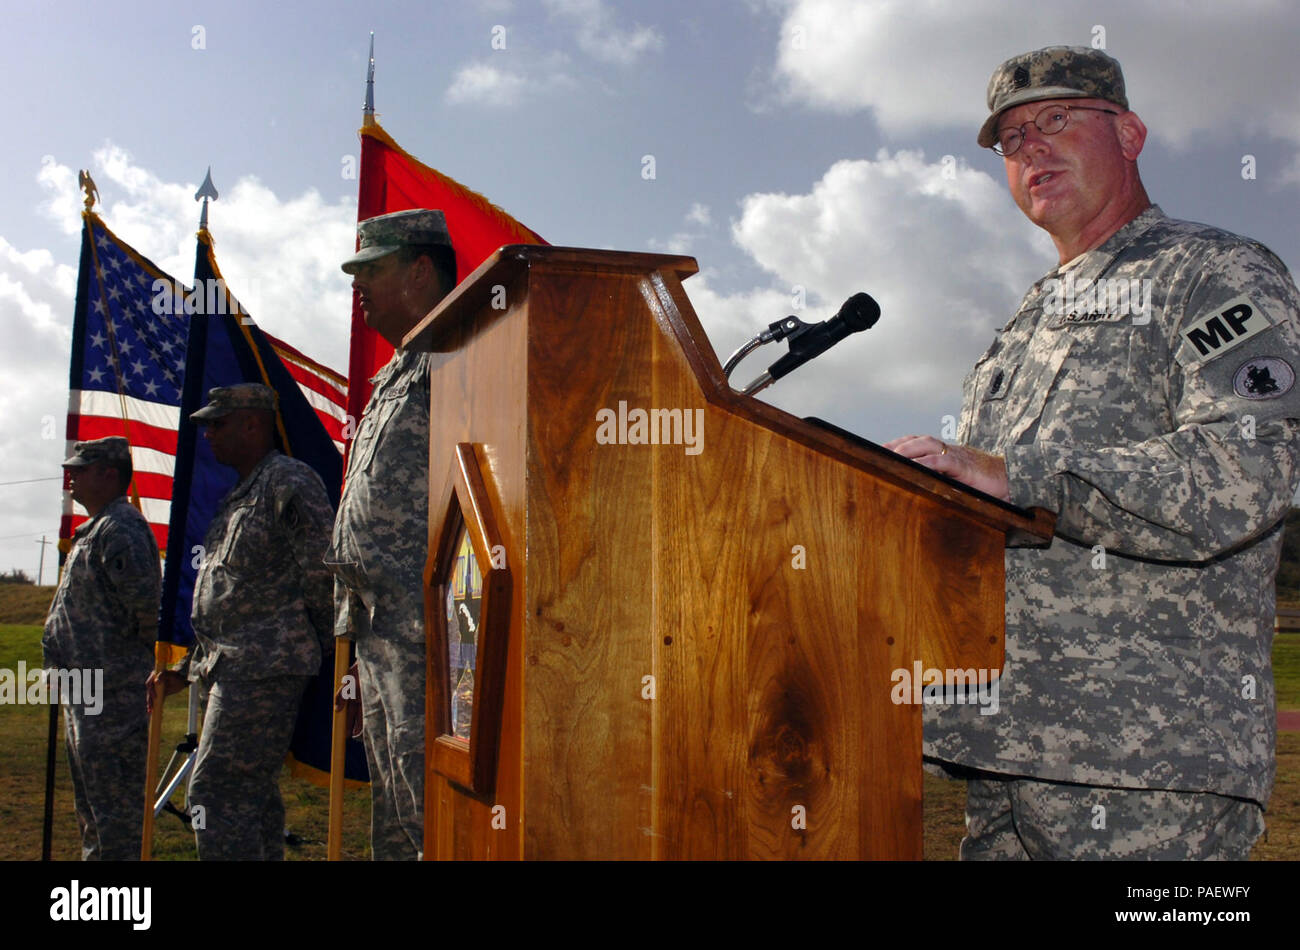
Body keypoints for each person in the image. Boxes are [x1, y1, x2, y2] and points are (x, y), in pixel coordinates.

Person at [886, 46, 1300, 859]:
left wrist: (1017, 476)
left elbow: (1249, 470)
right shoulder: (1030, 319)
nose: (1030, 148)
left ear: (1131, 134)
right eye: (1010, 141)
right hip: (1001, 745)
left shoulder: (1212, 270)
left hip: (1144, 761)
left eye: (1056, 120)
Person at [148, 383, 335, 859]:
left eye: (218, 423)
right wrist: (186, 667)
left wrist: (323, 652)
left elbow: (323, 576)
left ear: (254, 423)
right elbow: (227, 599)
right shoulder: (236, 497)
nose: (208, 434)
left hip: (264, 669)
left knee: (215, 794)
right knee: (252, 799)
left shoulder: (288, 482)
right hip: (226, 668)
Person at [328, 208, 455, 860]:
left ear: (420, 270)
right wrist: (352, 657)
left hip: (426, 638)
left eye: (370, 270)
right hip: (380, 638)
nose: (358, 285)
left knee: (434, 821)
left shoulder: (460, 358)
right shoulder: (393, 377)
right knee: (394, 830)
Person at [43, 436, 159, 860]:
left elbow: (148, 612)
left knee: (116, 820)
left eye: (81, 469)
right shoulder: (97, 528)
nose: (69, 477)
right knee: (94, 813)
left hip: (112, 700)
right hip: (86, 694)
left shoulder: (121, 528)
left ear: (110, 475)